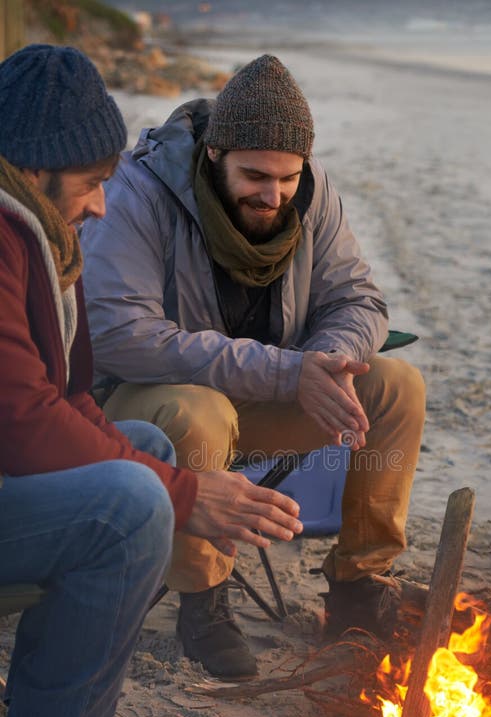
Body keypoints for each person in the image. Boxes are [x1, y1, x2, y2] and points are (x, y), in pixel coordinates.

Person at [0, 44, 302, 717]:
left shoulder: (31, 232)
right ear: (35, 170)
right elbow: (23, 420)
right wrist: (184, 496)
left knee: (139, 446)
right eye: (91, 181)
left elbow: (61, 400)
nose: (100, 205)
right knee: (134, 502)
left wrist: (166, 478)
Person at [81, 54, 426, 681]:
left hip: (264, 396)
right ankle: (203, 602)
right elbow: (118, 336)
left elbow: (358, 299)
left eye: (288, 177)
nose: (274, 195)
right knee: (199, 410)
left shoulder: (311, 193)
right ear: (213, 155)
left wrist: (331, 361)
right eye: (256, 176)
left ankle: (357, 580)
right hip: (135, 407)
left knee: (395, 385)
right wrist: (287, 373)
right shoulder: (140, 192)